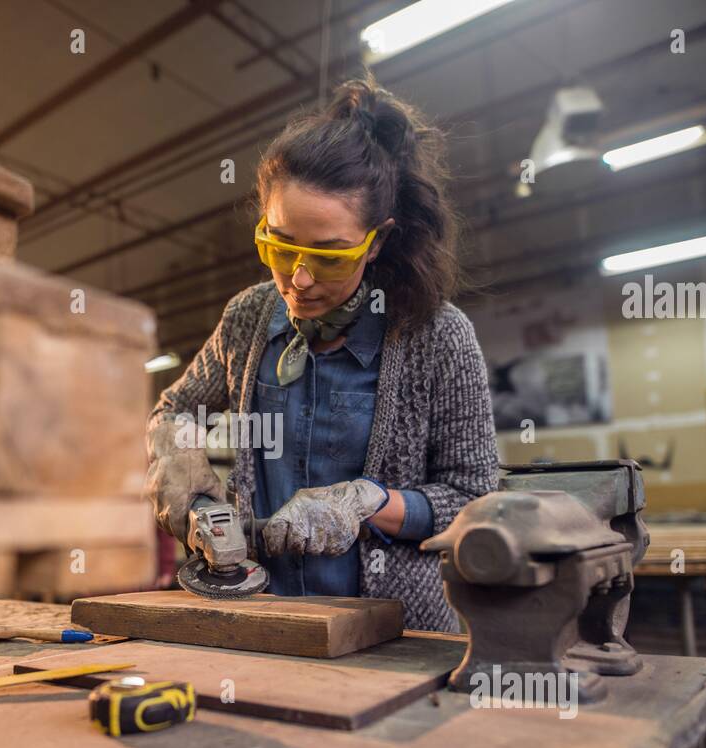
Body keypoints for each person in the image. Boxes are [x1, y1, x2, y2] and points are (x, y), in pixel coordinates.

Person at [145, 76, 499, 631]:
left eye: (330, 257)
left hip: (397, 637)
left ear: (376, 241)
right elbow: (173, 410)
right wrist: (178, 459)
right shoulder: (249, 317)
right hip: (259, 618)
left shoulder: (436, 336)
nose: (299, 280)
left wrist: (366, 502)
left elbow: (476, 499)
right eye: (280, 248)